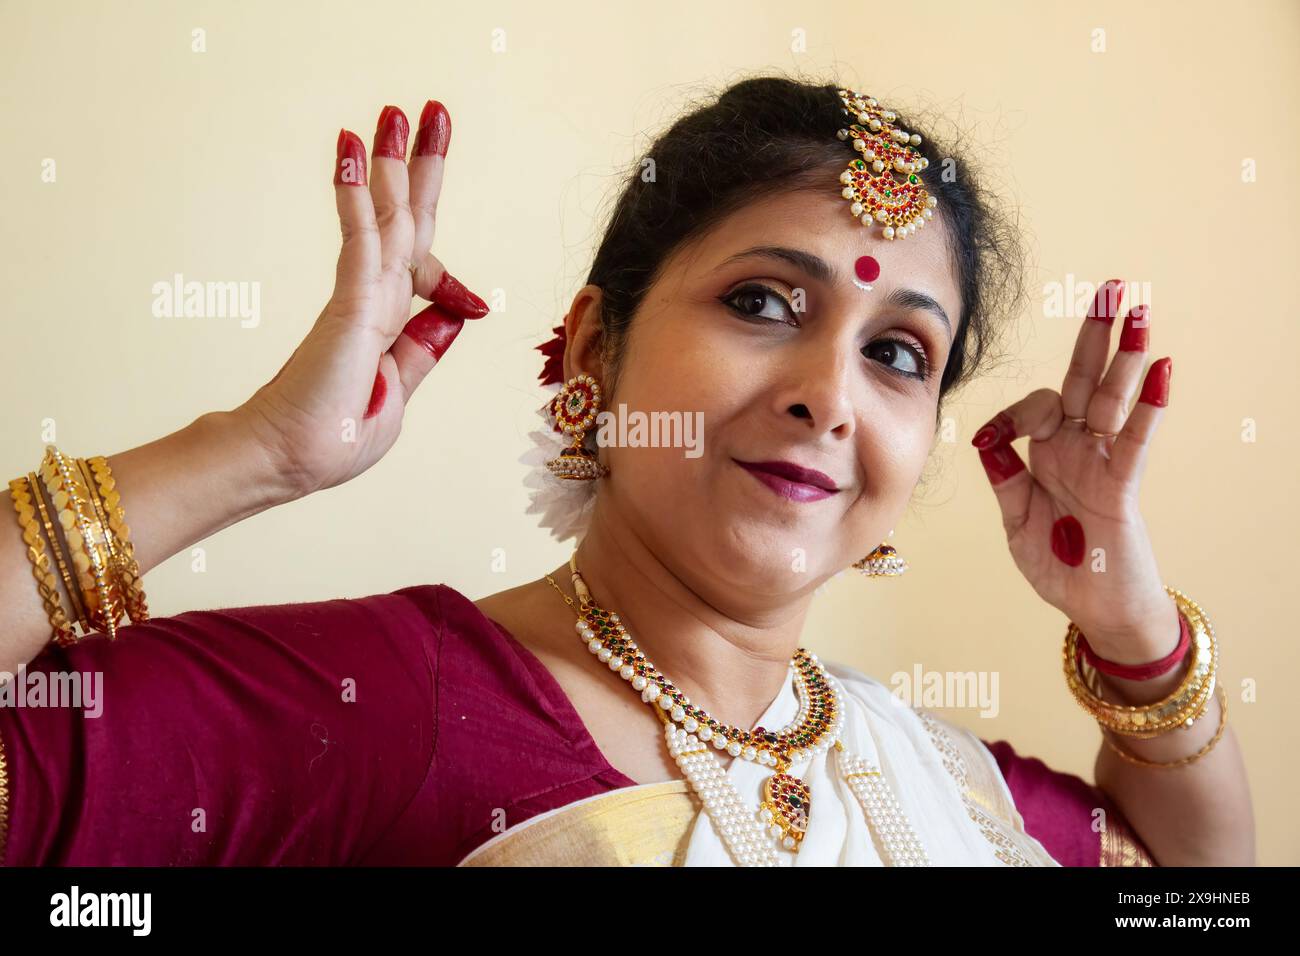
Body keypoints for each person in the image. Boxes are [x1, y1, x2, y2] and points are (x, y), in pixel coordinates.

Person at [0, 76, 1252, 867]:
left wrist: (1129, 622)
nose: (829, 393)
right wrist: (256, 452)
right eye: (763, 300)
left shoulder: (943, 784)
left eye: (898, 353)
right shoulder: (386, 703)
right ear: (596, 348)